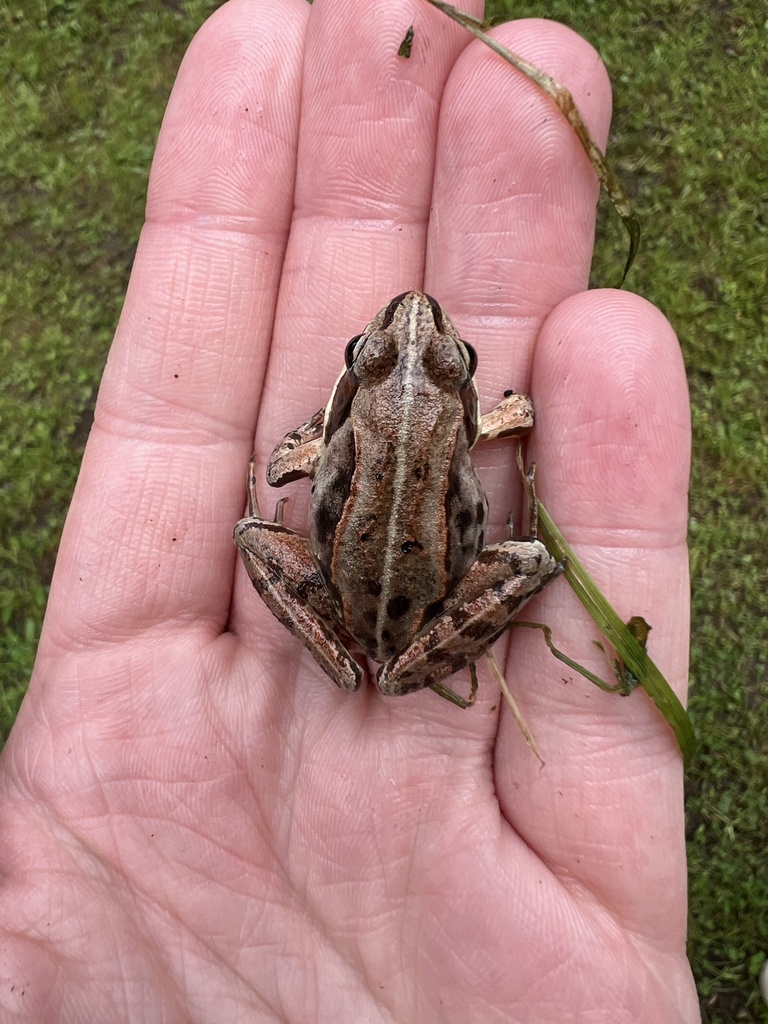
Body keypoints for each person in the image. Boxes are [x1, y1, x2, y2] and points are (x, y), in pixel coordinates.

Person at [0, 1, 699, 1020]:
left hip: (353, 598)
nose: (412, 344)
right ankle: (411, 646)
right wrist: (495, 415)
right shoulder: (467, 421)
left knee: (252, 531)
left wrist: (315, 452)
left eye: (443, 364)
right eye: (383, 360)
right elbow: (470, 434)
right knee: (530, 560)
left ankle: (363, 648)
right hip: (418, 603)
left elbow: (300, 467)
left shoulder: (349, 430)